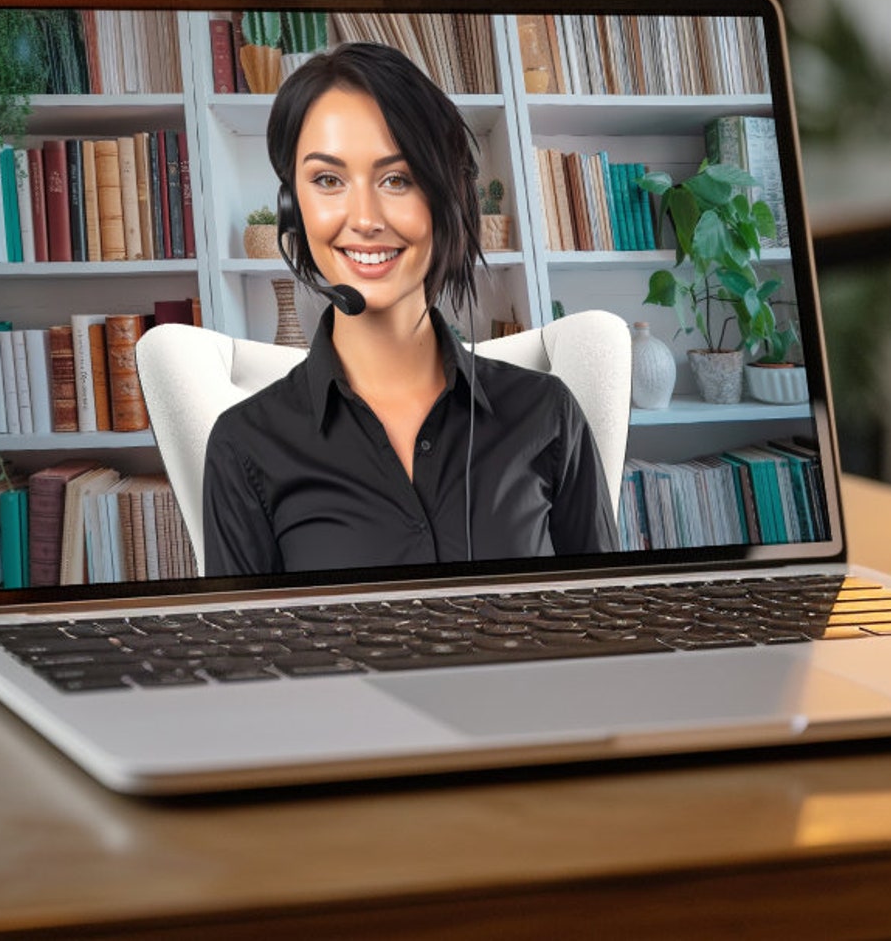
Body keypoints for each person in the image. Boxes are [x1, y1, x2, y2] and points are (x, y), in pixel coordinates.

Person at [202, 40, 619, 578]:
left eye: (397, 179)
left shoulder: (547, 414)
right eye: (328, 180)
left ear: (448, 199)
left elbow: (609, 614)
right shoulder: (245, 446)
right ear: (292, 209)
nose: (365, 218)